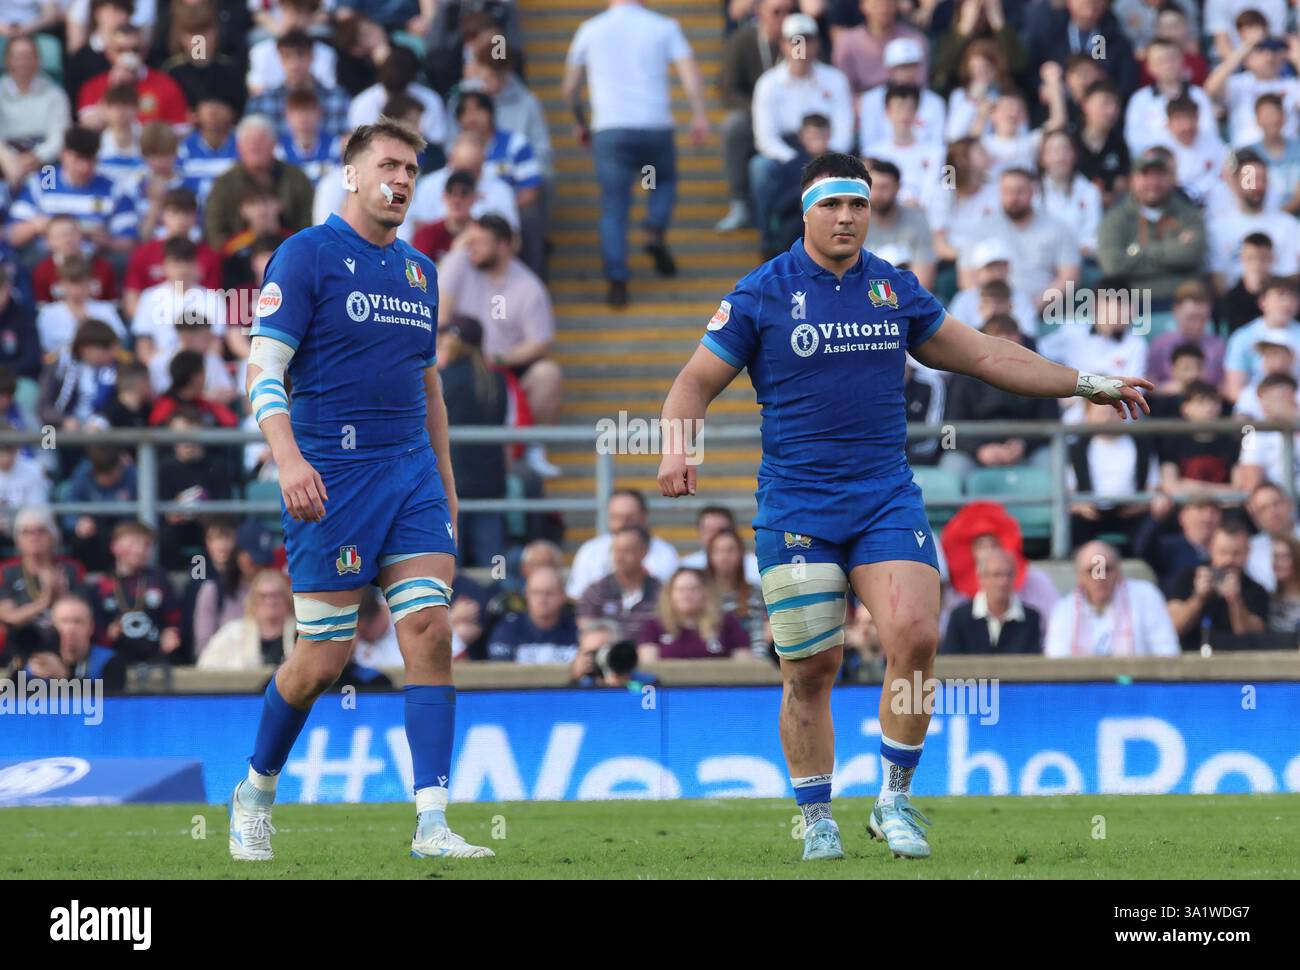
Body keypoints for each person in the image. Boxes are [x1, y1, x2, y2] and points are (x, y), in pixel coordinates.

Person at [657, 151, 1152, 863]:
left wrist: (1085, 383)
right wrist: (678, 447)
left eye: (858, 204)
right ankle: (817, 814)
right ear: (806, 212)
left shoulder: (893, 290)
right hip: (797, 507)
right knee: (813, 668)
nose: (848, 217)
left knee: (917, 635)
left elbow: (985, 354)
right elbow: (693, 382)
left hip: (884, 496)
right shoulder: (760, 293)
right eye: (833, 205)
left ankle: (893, 797)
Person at [229, 118, 493, 861]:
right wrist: (286, 460)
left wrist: (445, 488)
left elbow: (428, 388)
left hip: (409, 475)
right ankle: (254, 789)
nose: (403, 179)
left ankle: (433, 822)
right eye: (389, 165)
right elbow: (263, 373)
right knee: (323, 661)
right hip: (330, 481)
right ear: (351, 175)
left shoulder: (420, 271)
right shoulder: (305, 256)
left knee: (432, 633)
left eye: (413, 169)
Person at [564, 0, 711, 307]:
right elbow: (690, 75)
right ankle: (655, 227)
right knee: (662, 181)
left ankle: (618, 281)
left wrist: (580, 122)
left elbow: (570, 88)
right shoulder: (664, 26)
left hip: (610, 128)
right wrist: (699, 115)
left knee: (614, 207)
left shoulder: (589, 30)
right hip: (655, 126)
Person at [435, 314, 508, 568]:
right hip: (491, 484)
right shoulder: (497, 379)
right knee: (492, 568)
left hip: (449, 484)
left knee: (451, 567)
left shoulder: (441, 378)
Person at [715, 0, 786, 232]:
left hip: (792, 118)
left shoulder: (799, 40)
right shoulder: (743, 39)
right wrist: (758, 111)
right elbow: (728, 88)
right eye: (776, 12)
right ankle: (740, 203)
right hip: (752, 115)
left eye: (788, 11)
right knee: (733, 127)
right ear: (759, 12)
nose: (783, 18)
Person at [1044, 541, 1180, 656]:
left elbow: (1167, 653)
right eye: (1092, 570)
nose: (1100, 578)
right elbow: (1057, 663)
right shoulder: (1063, 610)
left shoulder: (1146, 596)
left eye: (1106, 569)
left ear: (1118, 571)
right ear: (1079, 577)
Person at [1166, 522, 1270, 650]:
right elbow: (1173, 628)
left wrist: (1235, 601)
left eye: (1237, 553)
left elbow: (1251, 639)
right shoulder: (1188, 578)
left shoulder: (1256, 590)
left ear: (1248, 553)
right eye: (1223, 552)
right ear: (1211, 549)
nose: (1229, 560)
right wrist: (1198, 598)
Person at [565, 489, 679, 598]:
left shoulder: (665, 554)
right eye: (616, 517)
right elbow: (578, 597)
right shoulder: (590, 551)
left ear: (644, 517)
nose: (623, 523)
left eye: (629, 517)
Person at [941, 547, 1041, 653]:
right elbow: (950, 661)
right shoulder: (960, 617)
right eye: (996, 575)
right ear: (981, 578)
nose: (1003, 582)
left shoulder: (1031, 618)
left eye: (1009, 575)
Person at [637, 567, 751, 661]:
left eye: (693, 589)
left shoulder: (726, 623)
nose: (687, 595)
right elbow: (648, 667)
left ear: (705, 593)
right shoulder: (654, 626)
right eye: (681, 590)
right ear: (670, 595)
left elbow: (744, 664)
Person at [575, 524, 664, 643]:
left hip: (647, 658)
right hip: (605, 658)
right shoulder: (595, 591)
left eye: (627, 550)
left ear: (644, 552)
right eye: (616, 550)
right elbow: (585, 633)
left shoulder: (661, 593)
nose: (619, 557)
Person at [25, 593, 126, 693]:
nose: (70, 629)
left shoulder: (109, 661)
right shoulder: (38, 661)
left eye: (78, 622)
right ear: (52, 626)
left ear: (91, 628)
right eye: (63, 621)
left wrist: (64, 677)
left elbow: (110, 702)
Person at [198, 569, 297, 671]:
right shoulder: (232, 633)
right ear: (253, 600)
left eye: (276, 595)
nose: (270, 601)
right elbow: (205, 667)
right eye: (263, 596)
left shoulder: (300, 633)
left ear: (287, 598)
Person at [484, 566, 579, 664]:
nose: (542, 599)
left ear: (563, 596)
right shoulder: (507, 629)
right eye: (536, 592)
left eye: (549, 593)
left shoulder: (577, 630)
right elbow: (502, 671)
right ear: (526, 595)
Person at [1244, 481, 1300, 592]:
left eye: (1276, 504)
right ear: (1255, 517)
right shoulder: (1249, 549)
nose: (1272, 512)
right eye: (1263, 508)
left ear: (1289, 504)